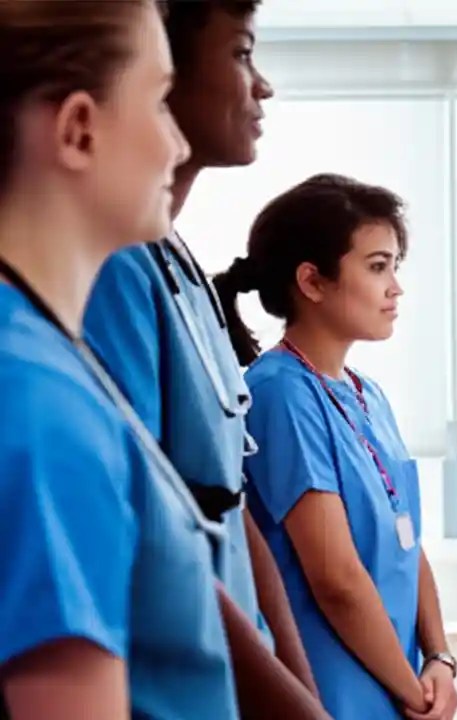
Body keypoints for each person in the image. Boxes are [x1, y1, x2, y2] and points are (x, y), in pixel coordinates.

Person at [0, 2, 237, 717]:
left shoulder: (47, 357)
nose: (175, 142)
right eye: (161, 100)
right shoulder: (38, 402)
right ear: (78, 129)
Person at [80, 0, 319, 696]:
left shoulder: (175, 261)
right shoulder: (108, 271)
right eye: (242, 54)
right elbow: (149, 529)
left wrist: (301, 691)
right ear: (157, 72)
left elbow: (227, 505)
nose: (263, 85)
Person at [213, 173, 457, 720]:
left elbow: (406, 542)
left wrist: (439, 656)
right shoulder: (278, 394)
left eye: (395, 266)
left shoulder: (367, 394)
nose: (396, 287)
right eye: (377, 267)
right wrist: (411, 689)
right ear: (313, 281)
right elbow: (336, 580)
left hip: (399, 679)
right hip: (336, 689)